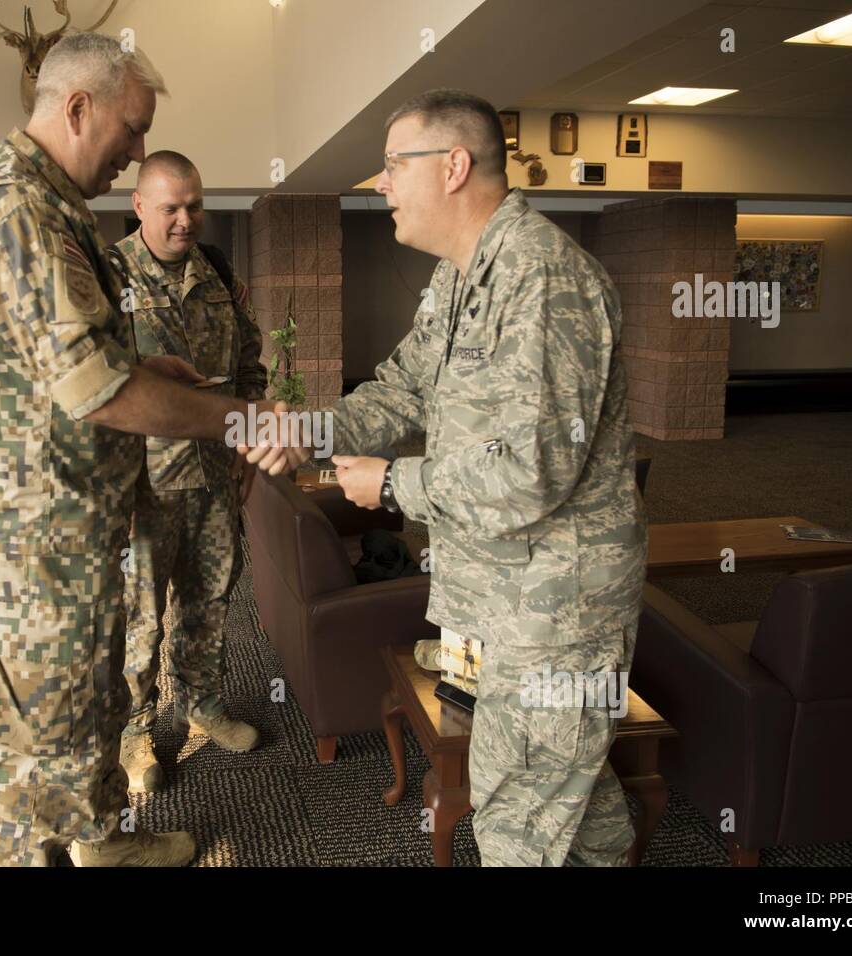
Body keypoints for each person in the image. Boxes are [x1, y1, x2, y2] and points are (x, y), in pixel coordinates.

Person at [242, 89, 646, 866]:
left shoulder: (545, 278)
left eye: (394, 165)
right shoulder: (460, 279)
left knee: (514, 819)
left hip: (554, 612)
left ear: (454, 166)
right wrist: (310, 431)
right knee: (577, 797)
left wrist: (394, 485)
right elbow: (403, 388)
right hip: (490, 595)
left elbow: (533, 473)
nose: (380, 183)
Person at [0, 33, 283, 867]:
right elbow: (94, 389)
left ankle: (98, 845)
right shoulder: (19, 210)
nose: (135, 151)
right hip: (36, 545)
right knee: (36, 744)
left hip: (64, 527)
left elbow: (70, 366)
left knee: (66, 722)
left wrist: (138, 365)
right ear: (77, 107)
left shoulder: (51, 209)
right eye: (132, 129)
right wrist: (237, 419)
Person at [105, 151, 268, 792]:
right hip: (142, 487)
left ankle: (203, 706)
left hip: (213, 479)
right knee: (140, 616)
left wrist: (248, 441)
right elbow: (89, 386)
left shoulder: (218, 273)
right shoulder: (105, 275)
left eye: (194, 206)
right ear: (139, 204)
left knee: (210, 605)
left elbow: (250, 362)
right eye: (170, 207)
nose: (184, 220)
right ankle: (134, 730)